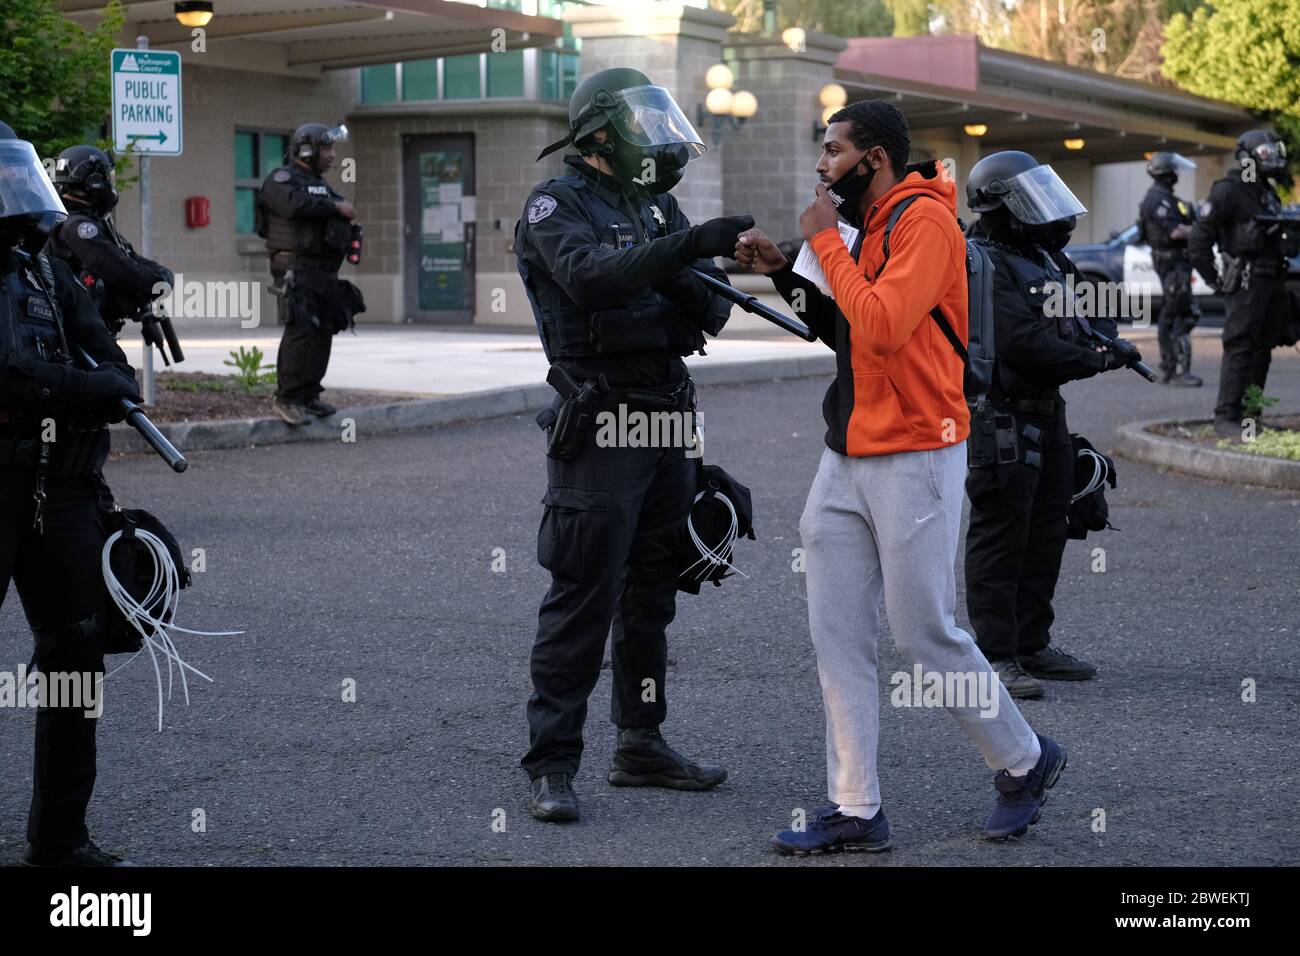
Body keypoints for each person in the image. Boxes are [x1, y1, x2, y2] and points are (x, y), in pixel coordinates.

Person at [735, 101, 1065, 851]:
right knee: (837, 635)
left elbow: (881, 323)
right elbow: (843, 329)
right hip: (847, 452)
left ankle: (1024, 759)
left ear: (874, 158)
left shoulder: (925, 223)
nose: (823, 165)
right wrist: (787, 270)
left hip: (918, 448)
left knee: (924, 633)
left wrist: (821, 237)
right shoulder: (873, 225)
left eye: (833, 151)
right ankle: (856, 808)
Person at [515, 68, 752, 823]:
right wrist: (680, 250)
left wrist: (681, 259)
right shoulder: (558, 202)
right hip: (604, 422)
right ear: (600, 138)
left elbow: (711, 314)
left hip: (668, 420)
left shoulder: (653, 204)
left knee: (652, 594)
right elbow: (587, 279)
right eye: (639, 124)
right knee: (583, 594)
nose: (657, 138)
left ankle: (640, 742)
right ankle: (552, 763)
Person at [0, 122, 142, 866]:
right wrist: (89, 388)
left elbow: (99, 344)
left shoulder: (39, 265)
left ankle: (59, 837)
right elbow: (15, 373)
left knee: (76, 650)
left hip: (58, 482)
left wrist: (106, 378)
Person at [960, 150, 1141, 699]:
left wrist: (1105, 338)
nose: (1049, 214)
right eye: (1030, 200)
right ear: (1000, 206)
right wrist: (1097, 359)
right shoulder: (980, 262)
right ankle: (995, 656)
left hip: (1048, 414)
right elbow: (1023, 343)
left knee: (1047, 533)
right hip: (1001, 417)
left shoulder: (1045, 258)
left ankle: (1032, 643)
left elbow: (1092, 313)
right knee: (1001, 538)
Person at [258, 122, 364, 426]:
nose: (332, 155)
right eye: (326, 148)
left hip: (323, 272)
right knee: (300, 329)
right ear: (306, 150)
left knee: (323, 330)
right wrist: (334, 207)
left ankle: (308, 395)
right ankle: (287, 398)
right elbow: (292, 206)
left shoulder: (320, 184)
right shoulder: (281, 180)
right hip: (294, 268)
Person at [1190, 129, 1292, 439]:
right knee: (1240, 349)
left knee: (1262, 350)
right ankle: (1226, 417)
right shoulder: (1229, 190)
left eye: (1275, 151)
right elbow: (1199, 239)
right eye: (1265, 152)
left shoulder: (1266, 192)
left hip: (1270, 281)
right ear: (1248, 157)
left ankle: (1250, 420)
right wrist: (1217, 280)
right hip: (1246, 280)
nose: (1273, 157)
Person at [45, 145, 174, 337]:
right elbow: (118, 267)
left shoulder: (82, 221)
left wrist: (160, 274)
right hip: (75, 335)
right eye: (108, 178)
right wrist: (157, 282)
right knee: (117, 367)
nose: (109, 185)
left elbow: (126, 256)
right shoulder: (77, 228)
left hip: (84, 330)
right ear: (94, 182)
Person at [1137, 151, 1202, 386]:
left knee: (1180, 311)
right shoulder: (1157, 199)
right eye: (1173, 171)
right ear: (1165, 174)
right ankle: (1174, 370)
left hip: (1178, 263)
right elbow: (1174, 231)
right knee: (1176, 313)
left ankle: (1172, 369)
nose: (1177, 175)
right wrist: (1202, 230)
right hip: (1171, 262)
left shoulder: (1168, 197)